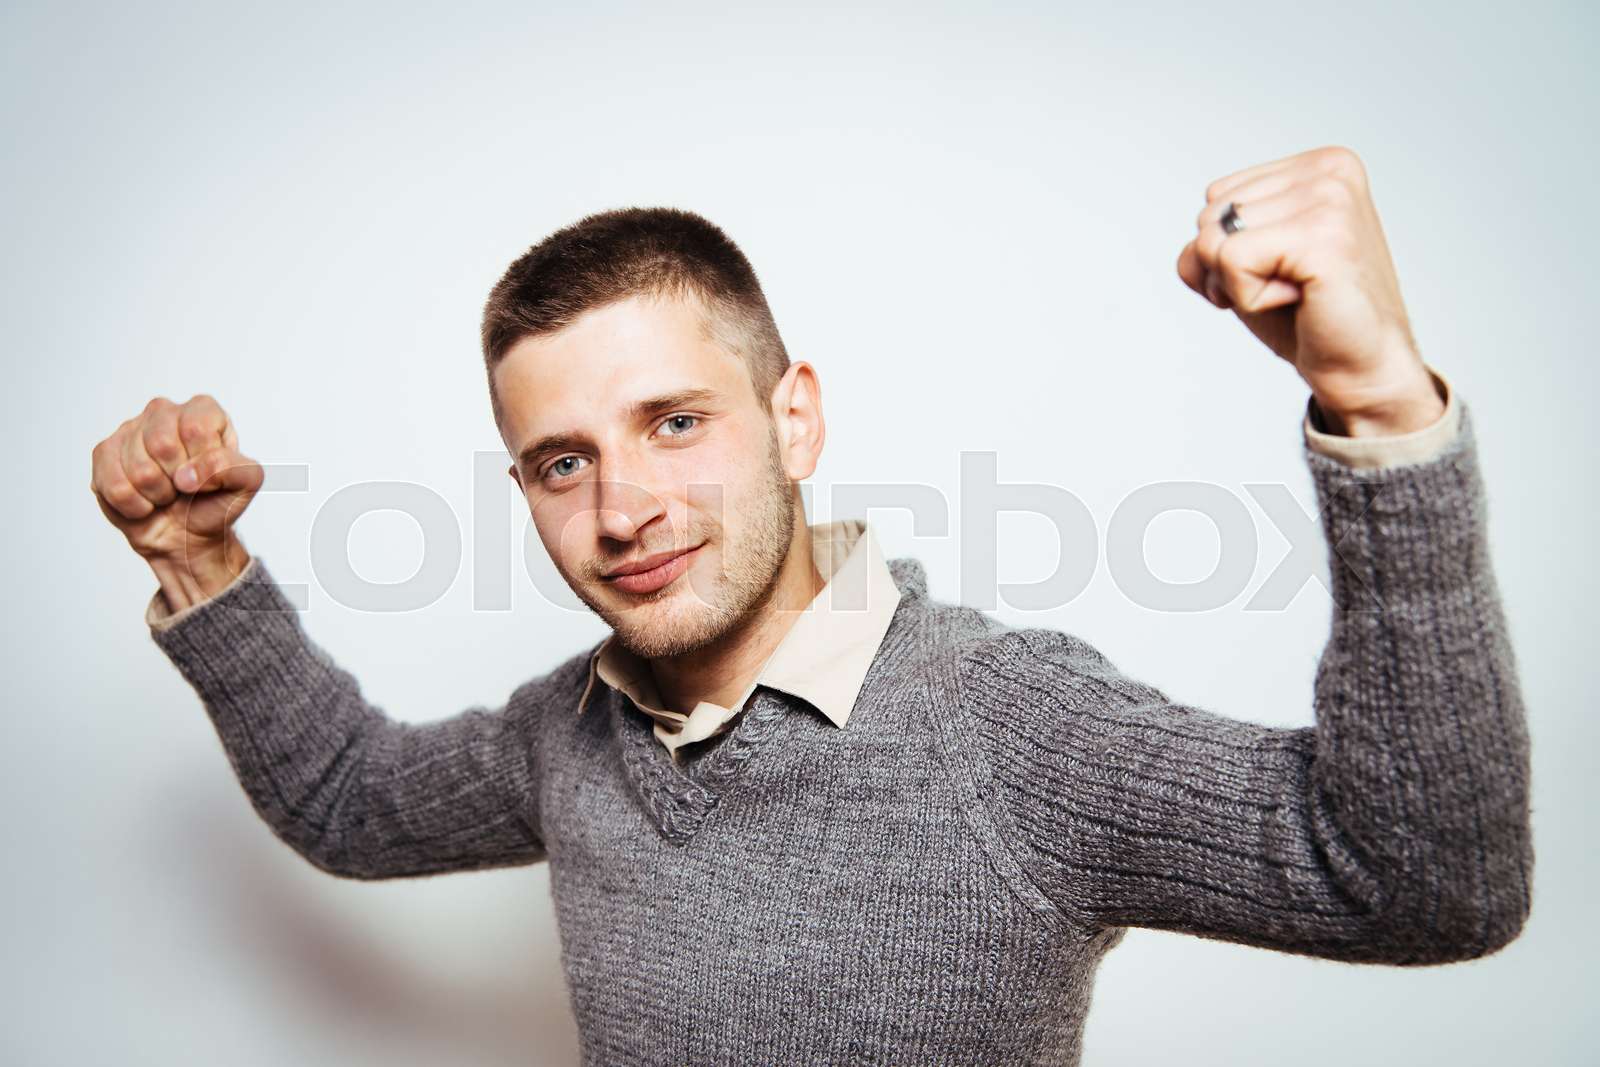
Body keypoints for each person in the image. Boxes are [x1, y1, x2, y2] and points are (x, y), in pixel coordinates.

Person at [90, 144, 1533, 1066]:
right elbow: (348, 800)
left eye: (673, 423)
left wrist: (1378, 409)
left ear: (794, 420)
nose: (621, 509)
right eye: (561, 461)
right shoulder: (568, 734)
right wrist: (201, 564)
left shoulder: (1006, 724)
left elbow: (1415, 882)